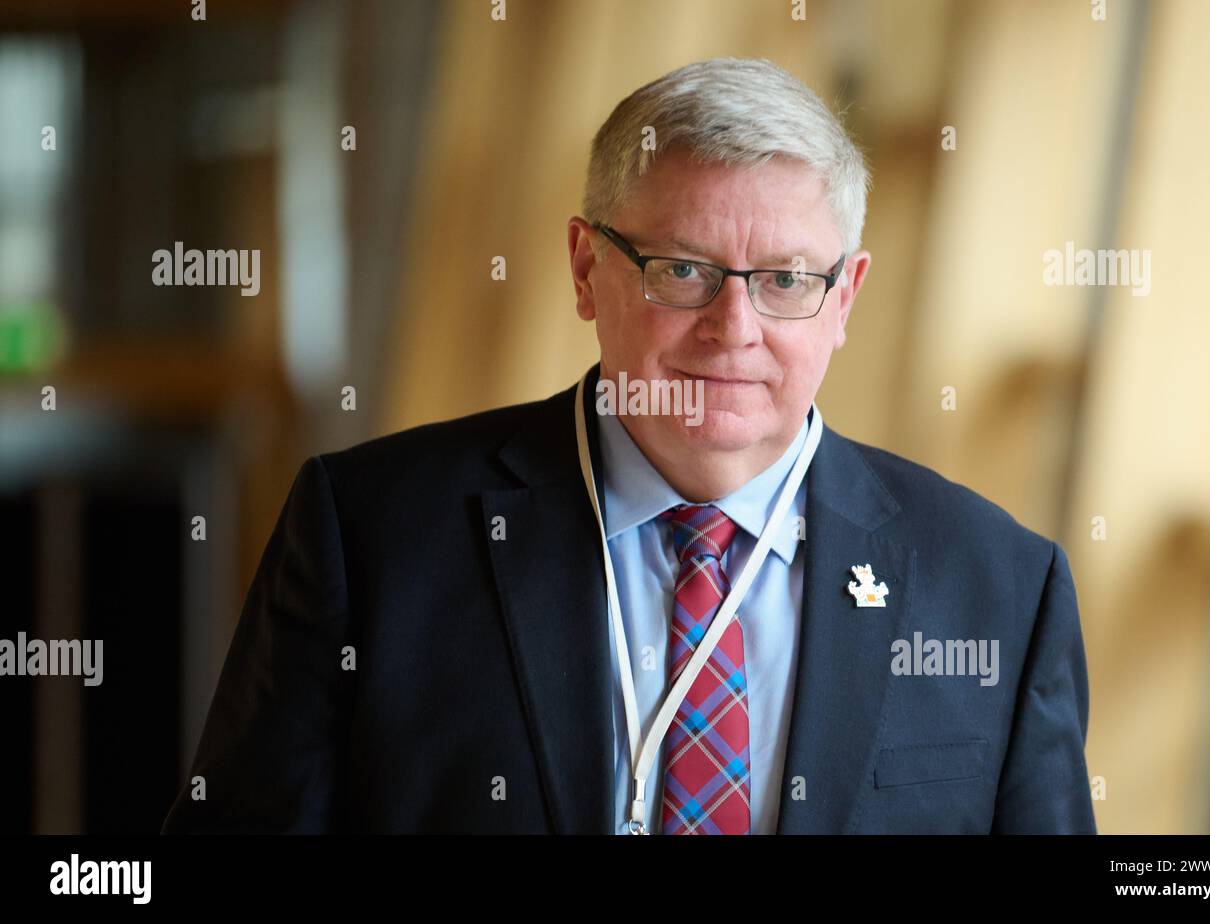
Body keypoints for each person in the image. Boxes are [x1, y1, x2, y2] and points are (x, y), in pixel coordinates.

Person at [161, 57, 1096, 835]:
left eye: (783, 279)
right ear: (584, 267)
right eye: (682, 270)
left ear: (844, 297)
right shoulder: (371, 535)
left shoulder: (1001, 588)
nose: (734, 328)